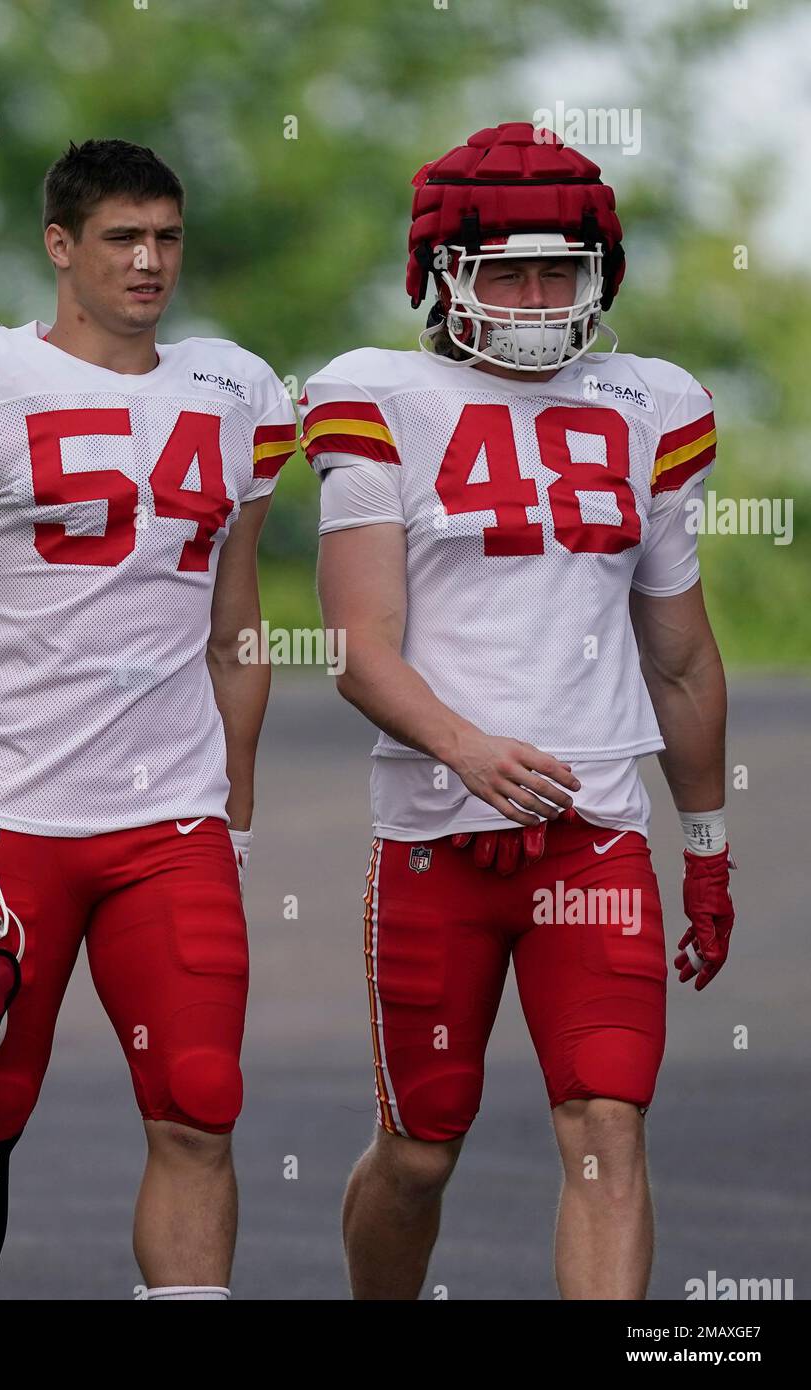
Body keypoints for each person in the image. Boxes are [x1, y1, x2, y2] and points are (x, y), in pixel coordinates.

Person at [303, 122, 735, 1300]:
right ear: (447, 278)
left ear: (600, 273)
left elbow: (683, 658)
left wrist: (703, 845)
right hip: (439, 835)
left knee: (607, 1121)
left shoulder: (650, 406)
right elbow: (357, 646)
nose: (538, 297)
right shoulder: (378, 397)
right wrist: (466, 747)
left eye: (559, 269)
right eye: (507, 271)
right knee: (419, 1150)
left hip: (596, 830)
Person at [0, 138, 296, 1300]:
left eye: (165, 236)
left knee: (201, 1102)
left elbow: (236, 626)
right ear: (60, 246)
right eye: (122, 238)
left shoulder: (235, 392)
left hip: (172, 821)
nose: (149, 261)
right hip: (15, 818)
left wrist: (238, 810)